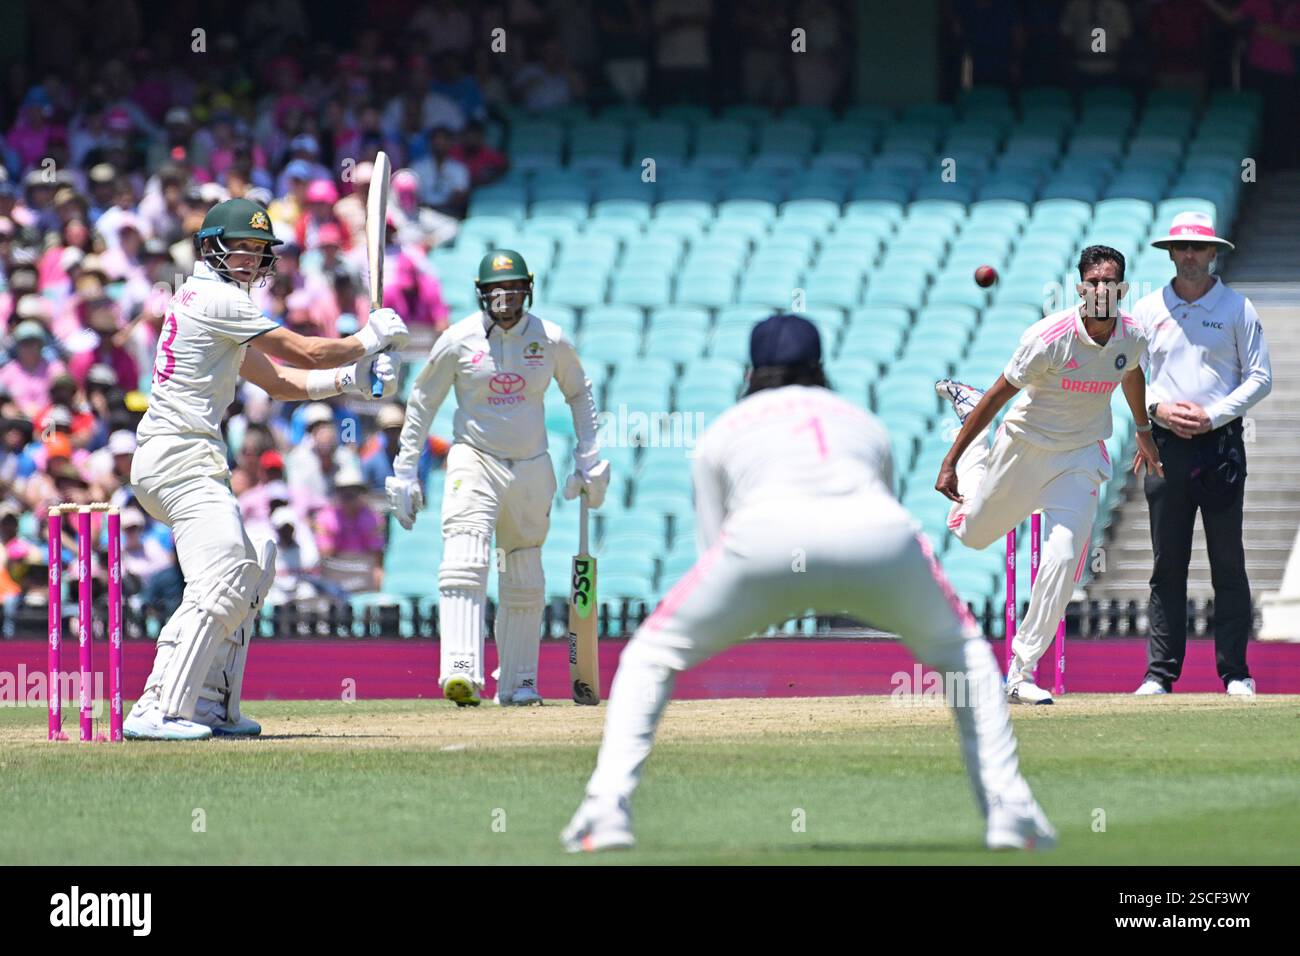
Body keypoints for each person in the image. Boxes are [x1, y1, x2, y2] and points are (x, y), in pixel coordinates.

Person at [562, 314, 1056, 853]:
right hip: (877, 540)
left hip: (763, 543)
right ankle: (1011, 814)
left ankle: (605, 813)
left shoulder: (721, 432)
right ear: (819, 367)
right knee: (966, 655)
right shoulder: (864, 421)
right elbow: (883, 502)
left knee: (649, 655)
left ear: (752, 372)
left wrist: (753, 604)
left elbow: (714, 548)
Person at [123, 197, 407, 740]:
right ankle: (155, 707)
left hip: (187, 459)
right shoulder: (215, 298)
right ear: (211, 248)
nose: (251, 260)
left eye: (259, 251)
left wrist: (356, 379)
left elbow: (279, 382)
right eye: (242, 248)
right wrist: (366, 340)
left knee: (248, 575)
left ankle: (209, 705)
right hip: (177, 457)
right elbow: (303, 351)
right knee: (222, 574)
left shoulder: (213, 305)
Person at [934, 246, 1162, 705]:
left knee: (1061, 560)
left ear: (1122, 288)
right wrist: (950, 461)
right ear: (1081, 289)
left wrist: (1142, 429)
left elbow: (1132, 372)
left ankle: (1020, 673)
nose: (1102, 289)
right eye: (1094, 282)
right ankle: (968, 431)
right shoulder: (1049, 337)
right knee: (974, 536)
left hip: (1079, 458)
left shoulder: (1133, 334)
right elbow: (999, 396)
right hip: (1024, 448)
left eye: (1110, 282)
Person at [386, 249, 607, 706]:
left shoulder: (550, 340)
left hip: (531, 466)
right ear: (481, 294)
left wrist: (589, 456)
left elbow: (579, 393)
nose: (504, 299)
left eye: (513, 290)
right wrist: (406, 468)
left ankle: (519, 682)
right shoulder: (458, 339)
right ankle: (461, 671)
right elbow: (423, 401)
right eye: (495, 291)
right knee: (465, 556)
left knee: (523, 569)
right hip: (475, 459)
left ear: (528, 289)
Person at [1131, 212, 1272, 697]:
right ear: (1170, 252)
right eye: (1181, 247)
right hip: (1167, 445)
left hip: (1220, 445)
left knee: (1227, 562)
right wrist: (1158, 409)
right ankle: (1159, 674)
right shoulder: (1148, 309)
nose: (1189, 254)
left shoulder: (1237, 307)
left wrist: (1213, 415)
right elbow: (1131, 374)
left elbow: (1260, 377)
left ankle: (1235, 672)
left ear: (1214, 252)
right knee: (1166, 564)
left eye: (1198, 247)